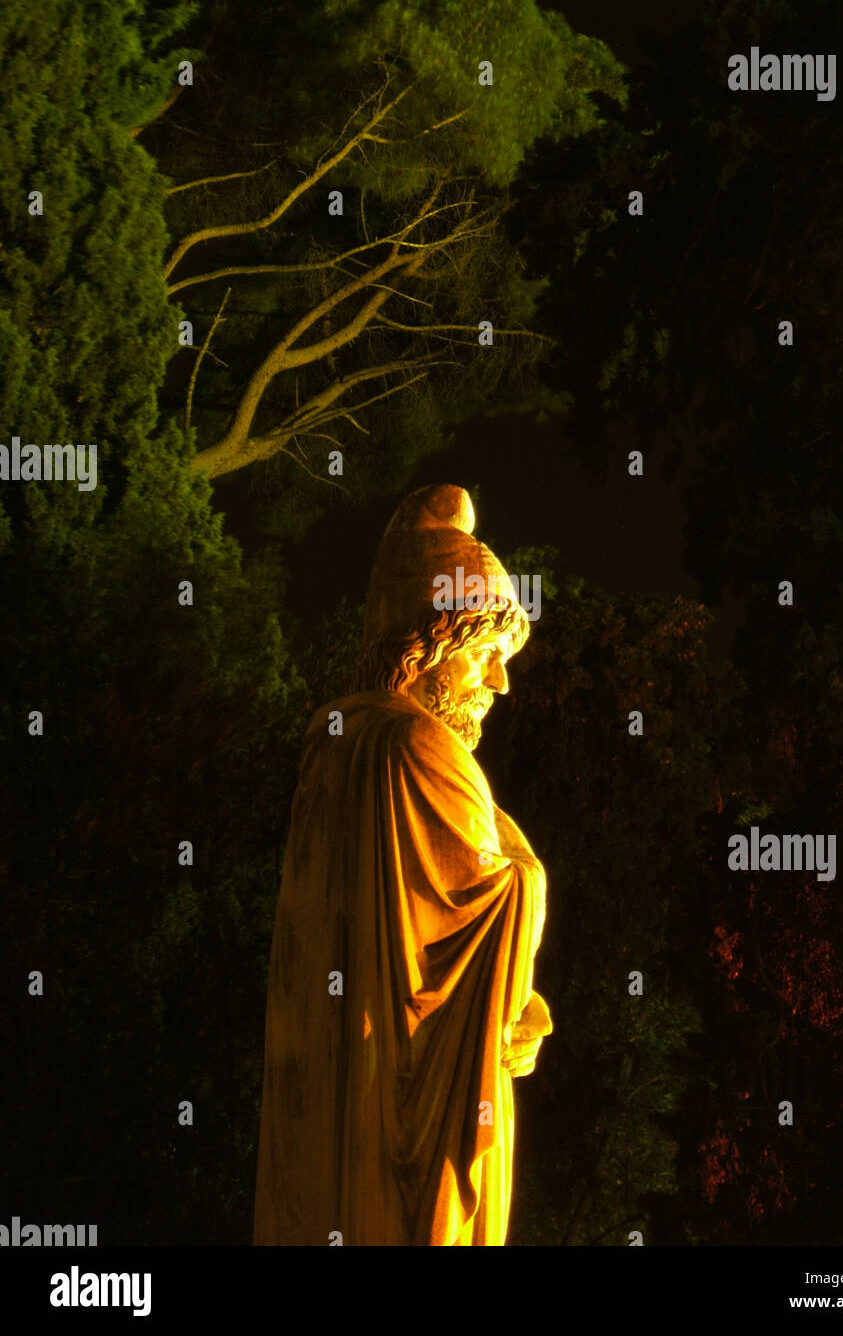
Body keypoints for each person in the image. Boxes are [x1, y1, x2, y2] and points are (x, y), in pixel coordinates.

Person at [254, 484, 552, 1246]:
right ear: (433, 642)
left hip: (325, 1139)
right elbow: (479, 922)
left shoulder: (336, 737)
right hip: (397, 1158)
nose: (499, 681)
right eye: (485, 652)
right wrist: (527, 883)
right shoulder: (417, 747)